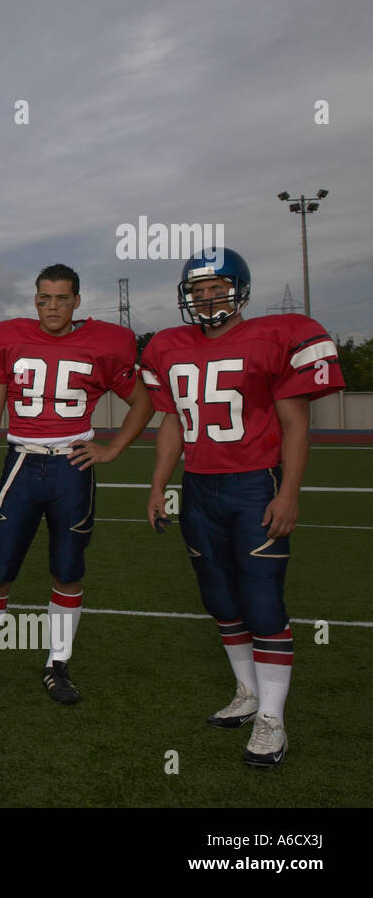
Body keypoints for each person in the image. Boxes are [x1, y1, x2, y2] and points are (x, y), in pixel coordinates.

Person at [142, 247, 343, 767]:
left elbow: (296, 423)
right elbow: (169, 423)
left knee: (262, 601)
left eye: (217, 288)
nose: (207, 299)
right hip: (200, 488)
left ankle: (273, 718)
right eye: (198, 291)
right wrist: (157, 484)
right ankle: (248, 693)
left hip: (255, 484)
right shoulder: (168, 345)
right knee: (220, 600)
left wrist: (288, 492)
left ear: (240, 289)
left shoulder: (274, 337)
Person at [0, 264, 153, 703]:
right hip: (22, 466)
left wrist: (109, 450)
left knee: (68, 571)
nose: (53, 306)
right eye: (45, 298)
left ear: (76, 301)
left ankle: (57, 665)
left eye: (62, 298)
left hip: (73, 469)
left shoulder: (104, 343)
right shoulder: (8, 339)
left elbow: (142, 404)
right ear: (36, 300)